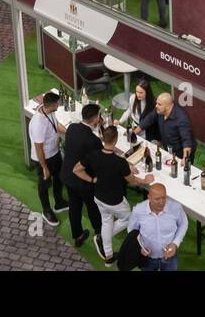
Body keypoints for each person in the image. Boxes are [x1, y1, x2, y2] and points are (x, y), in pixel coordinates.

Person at [73, 125, 155, 265]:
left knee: (106, 221)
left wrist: (92, 179)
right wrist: (145, 180)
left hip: (98, 197)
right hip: (115, 201)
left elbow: (76, 169)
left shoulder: (94, 155)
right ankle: (103, 238)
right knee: (128, 219)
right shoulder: (120, 162)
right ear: (116, 140)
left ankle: (109, 256)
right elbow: (133, 181)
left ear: (102, 138)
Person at [61, 102, 105, 251]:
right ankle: (99, 235)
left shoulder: (72, 128)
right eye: (99, 116)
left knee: (74, 206)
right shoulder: (94, 141)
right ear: (95, 119)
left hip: (67, 176)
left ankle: (78, 236)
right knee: (93, 207)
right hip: (84, 181)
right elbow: (98, 162)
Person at [127, 183, 188, 271]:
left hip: (170, 257)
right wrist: (140, 247)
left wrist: (175, 243)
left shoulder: (176, 208)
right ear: (149, 197)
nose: (161, 202)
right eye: (157, 199)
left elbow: (183, 223)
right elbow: (131, 230)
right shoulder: (138, 211)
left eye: (164, 198)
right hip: (147, 258)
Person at [29, 91, 68, 226]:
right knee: (44, 184)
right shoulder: (38, 123)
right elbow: (38, 147)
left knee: (59, 177)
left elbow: (55, 124)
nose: (59, 105)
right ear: (52, 105)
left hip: (54, 152)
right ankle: (46, 211)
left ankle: (59, 202)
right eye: (57, 103)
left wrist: (69, 133)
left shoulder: (49, 111)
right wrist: (44, 167)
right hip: (44, 158)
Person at [152, 91, 194, 159]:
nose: (156, 106)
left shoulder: (181, 119)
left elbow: (186, 141)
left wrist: (185, 159)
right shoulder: (160, 110)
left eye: (159, 104)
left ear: (168, 107)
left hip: (180, 153)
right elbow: (148, 120)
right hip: (168, 148)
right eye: (156, 103)